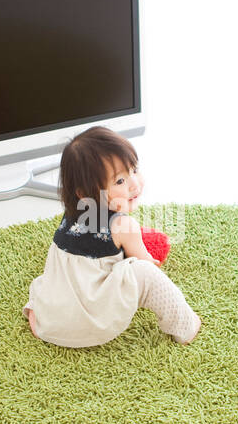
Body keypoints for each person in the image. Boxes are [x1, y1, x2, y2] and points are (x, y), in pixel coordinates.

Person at [23, 126, 202, 347]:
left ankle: (39, 314)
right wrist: (148, 258)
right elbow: (146, 264)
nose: (134, 184)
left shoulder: (70, 216)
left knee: (49, 278)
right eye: (119, 181)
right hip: (95, 326)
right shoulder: (124, 225)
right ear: (86, 193)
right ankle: (186, 326)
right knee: (144, 273)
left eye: (134, 170)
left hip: (50, 325)